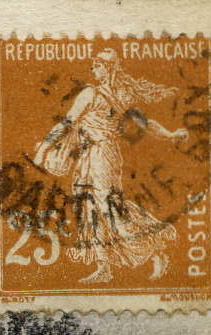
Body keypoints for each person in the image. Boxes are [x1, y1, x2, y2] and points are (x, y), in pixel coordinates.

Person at [33, 49, 190, 283]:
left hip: (102, 154)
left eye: (96, 66)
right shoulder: (114, 95)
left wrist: (44, 148)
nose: (93, 70)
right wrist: (170, 134)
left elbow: (68, 123)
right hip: (89, 156)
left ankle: (155, 249)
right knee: (89, 208)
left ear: (107, 68)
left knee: (108, 208)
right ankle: (103, 267)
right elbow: (148, 124)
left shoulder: (94, 94)